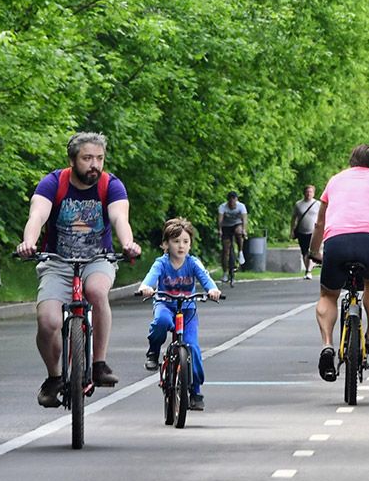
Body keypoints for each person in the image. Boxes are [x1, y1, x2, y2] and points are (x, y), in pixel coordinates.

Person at [18, 131, 142, 407]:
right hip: (57, 261)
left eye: (99, 158)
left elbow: (120, 217)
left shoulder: (111, 185)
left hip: (97, 259)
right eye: (87, 158)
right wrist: (29, 241)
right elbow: (37, 214)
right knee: (48, 321)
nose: (94, 165)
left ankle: (98, 363)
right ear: (72, 160)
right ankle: (54, 377)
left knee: (96, 290)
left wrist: (129, 244)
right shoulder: (53, 183)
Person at [310, 144, 369, 381]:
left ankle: (328, 345)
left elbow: (320, 223)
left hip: (336, 241)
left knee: (328, 295)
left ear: (351, 161)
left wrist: (314, 252)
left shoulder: (335, 181)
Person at [137, 217, 223, 411]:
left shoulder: (193, 263)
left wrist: (213, 290)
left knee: (192, 347)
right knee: (160, 322)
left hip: (187, 310)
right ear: (165, 244)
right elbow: (150, 278)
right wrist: (146, 287)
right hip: (165, 305)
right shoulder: (161, 263)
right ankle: (153, 351)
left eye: (185, 241)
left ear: (190, 244)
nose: (181, 246)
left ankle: (196, 391)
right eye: (176, 242)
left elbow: (205, 278)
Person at [216, 190, 248, 284]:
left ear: (236, 200)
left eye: (234, 201)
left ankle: (240, 251)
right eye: (230, 201)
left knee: (239, 232)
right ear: (228, 201)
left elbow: (244, 220)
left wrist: (244, 230)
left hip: (237, 224)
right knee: (226, 251)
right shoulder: (223, 207)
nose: (232, 204)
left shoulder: (241, 206)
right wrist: (220, 230)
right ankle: (225, 273)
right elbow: (220, 220)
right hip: (226, 226)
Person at [292, 184, 321, 278]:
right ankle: (308, 270)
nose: (309, 194)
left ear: (313, 193)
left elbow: (322, 217)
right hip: (301, 231)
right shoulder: (298, 204)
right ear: (304, 193)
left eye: (311, 192)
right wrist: (292, 230)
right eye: (307, 192)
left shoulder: (317, 204)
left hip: (314, 232)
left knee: (311, 252)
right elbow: (294, 218)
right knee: (304, 252)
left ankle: (308, 271)